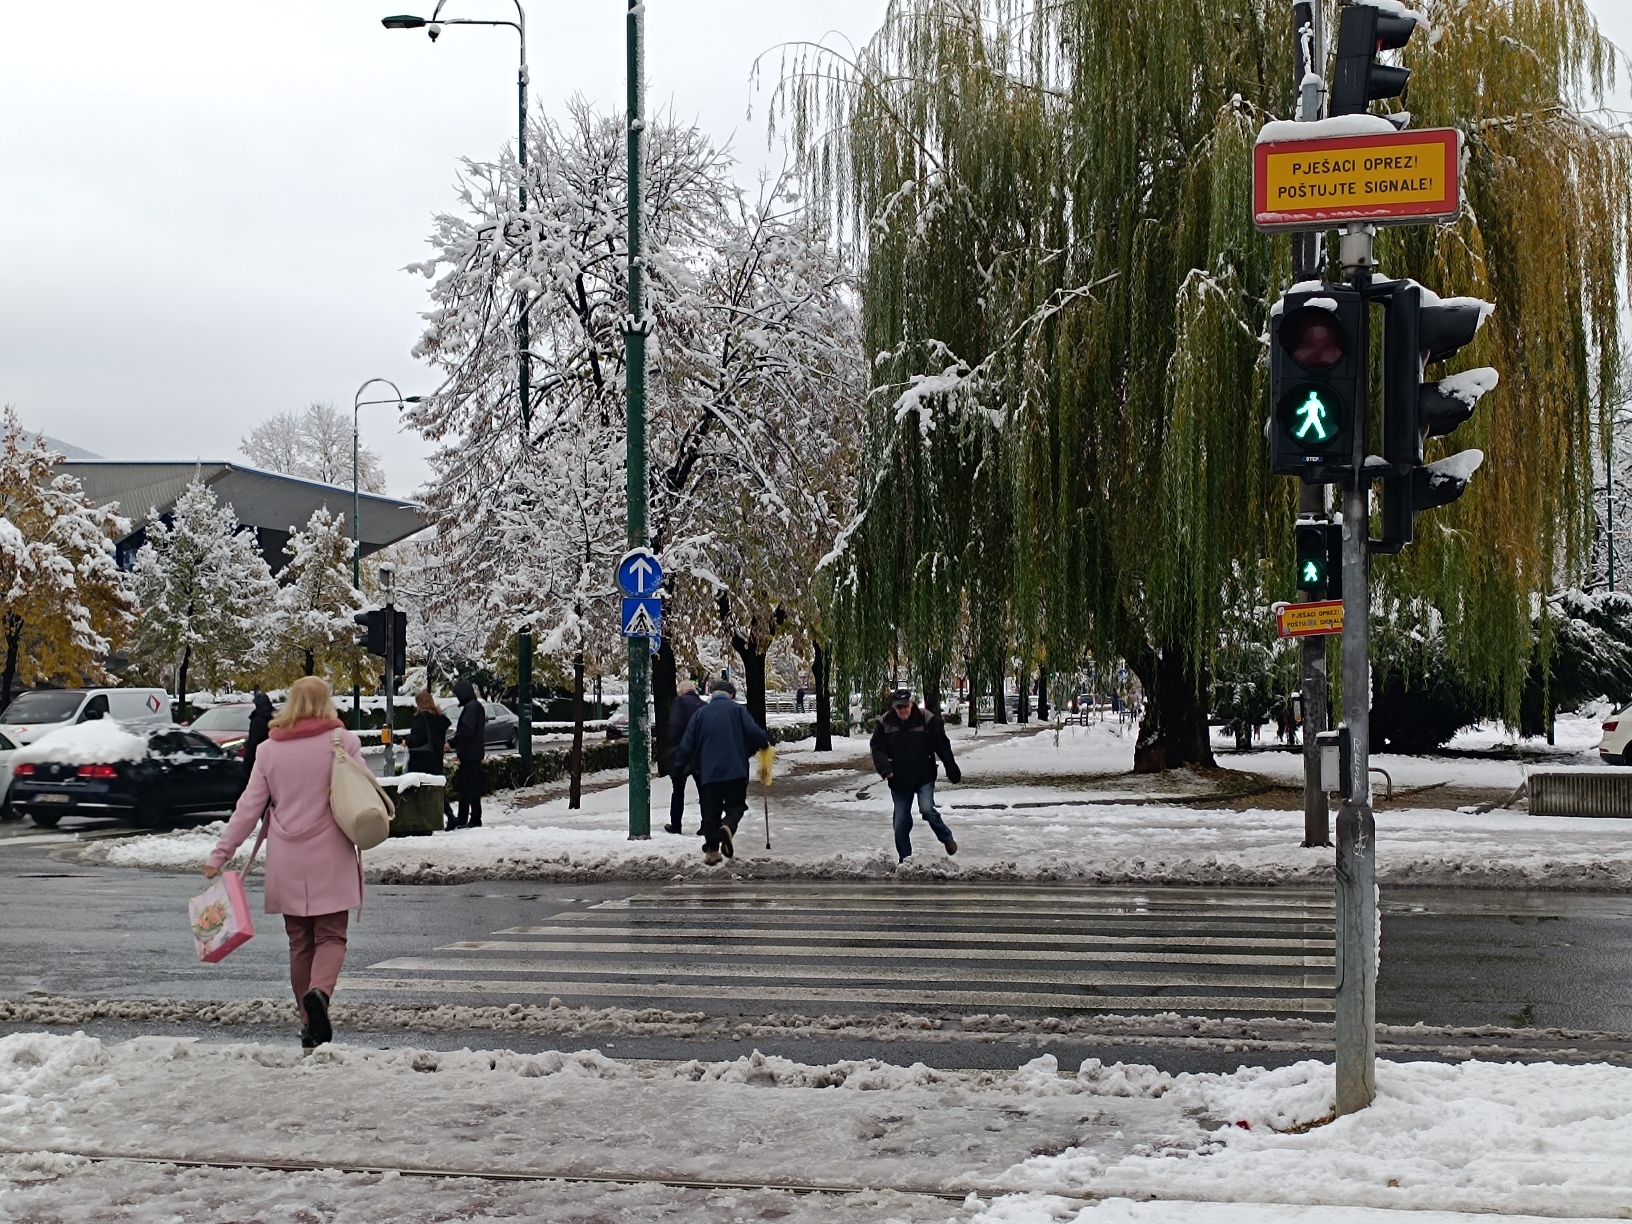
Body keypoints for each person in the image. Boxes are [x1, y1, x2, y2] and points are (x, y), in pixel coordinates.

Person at [202, 676, 365, 1051]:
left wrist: (220, 855)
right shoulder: (344, 743)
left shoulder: (269, 751)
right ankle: (320, 995)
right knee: (331, 935)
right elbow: (365, 792)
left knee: (299, 943)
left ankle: (308, 1023)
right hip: (331, 855)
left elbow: (248, 808)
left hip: (286, 859)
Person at [671, 677, 770, 864]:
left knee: (711, 812)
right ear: (730, 695)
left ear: (712, 695)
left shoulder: (700, 714)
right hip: (736, 771)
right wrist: (764, 742)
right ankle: (728, 826)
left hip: (709, 773)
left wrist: (678, 768)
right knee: (736, 805)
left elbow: (687, 745)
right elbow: (755, 733)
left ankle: (712, 851)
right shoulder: (738, 710)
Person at [870, 688, 961, 862]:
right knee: (900, 823)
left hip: (924, 775)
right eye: (899, 708)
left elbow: (941, 744)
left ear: (911, 704)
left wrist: (951, 766)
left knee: (926, 808)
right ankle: (905, 860)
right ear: (894, 707)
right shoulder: (885, 722)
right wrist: (885, 769)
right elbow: (877, 747)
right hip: (899, 779)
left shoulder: (926, 719)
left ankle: (946, 838)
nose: (903, 710)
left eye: (905, 706)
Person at [662, 679, 705, 835]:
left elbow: (676, 725)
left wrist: (672, 745)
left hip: (682, 752)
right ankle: (705, 825)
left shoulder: (679, 702)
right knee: (703, 791)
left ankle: (676, 825)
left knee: (678, 789)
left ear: (681, 691)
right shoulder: (702, 704)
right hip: (700, 754)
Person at [449, 679, 487, 829]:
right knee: (466, 788)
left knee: (470, 788)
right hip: (473, 753)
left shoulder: (471, 708)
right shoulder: (475, 706)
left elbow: (466, 731)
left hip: (469, 754)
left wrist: (453, 743)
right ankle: (464, 818)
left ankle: (474, 818)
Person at [405, 690, 450, 775]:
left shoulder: (421, 718)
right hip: (437, 760)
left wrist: (407, 741)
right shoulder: (440, 718)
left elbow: (417, 739)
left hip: (422, 761)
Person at [243, 690, 274, 773]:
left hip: (260, 757)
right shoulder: (276, 717)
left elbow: (253, 743)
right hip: (275, 756)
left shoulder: (257, 721)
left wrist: (247, 765)